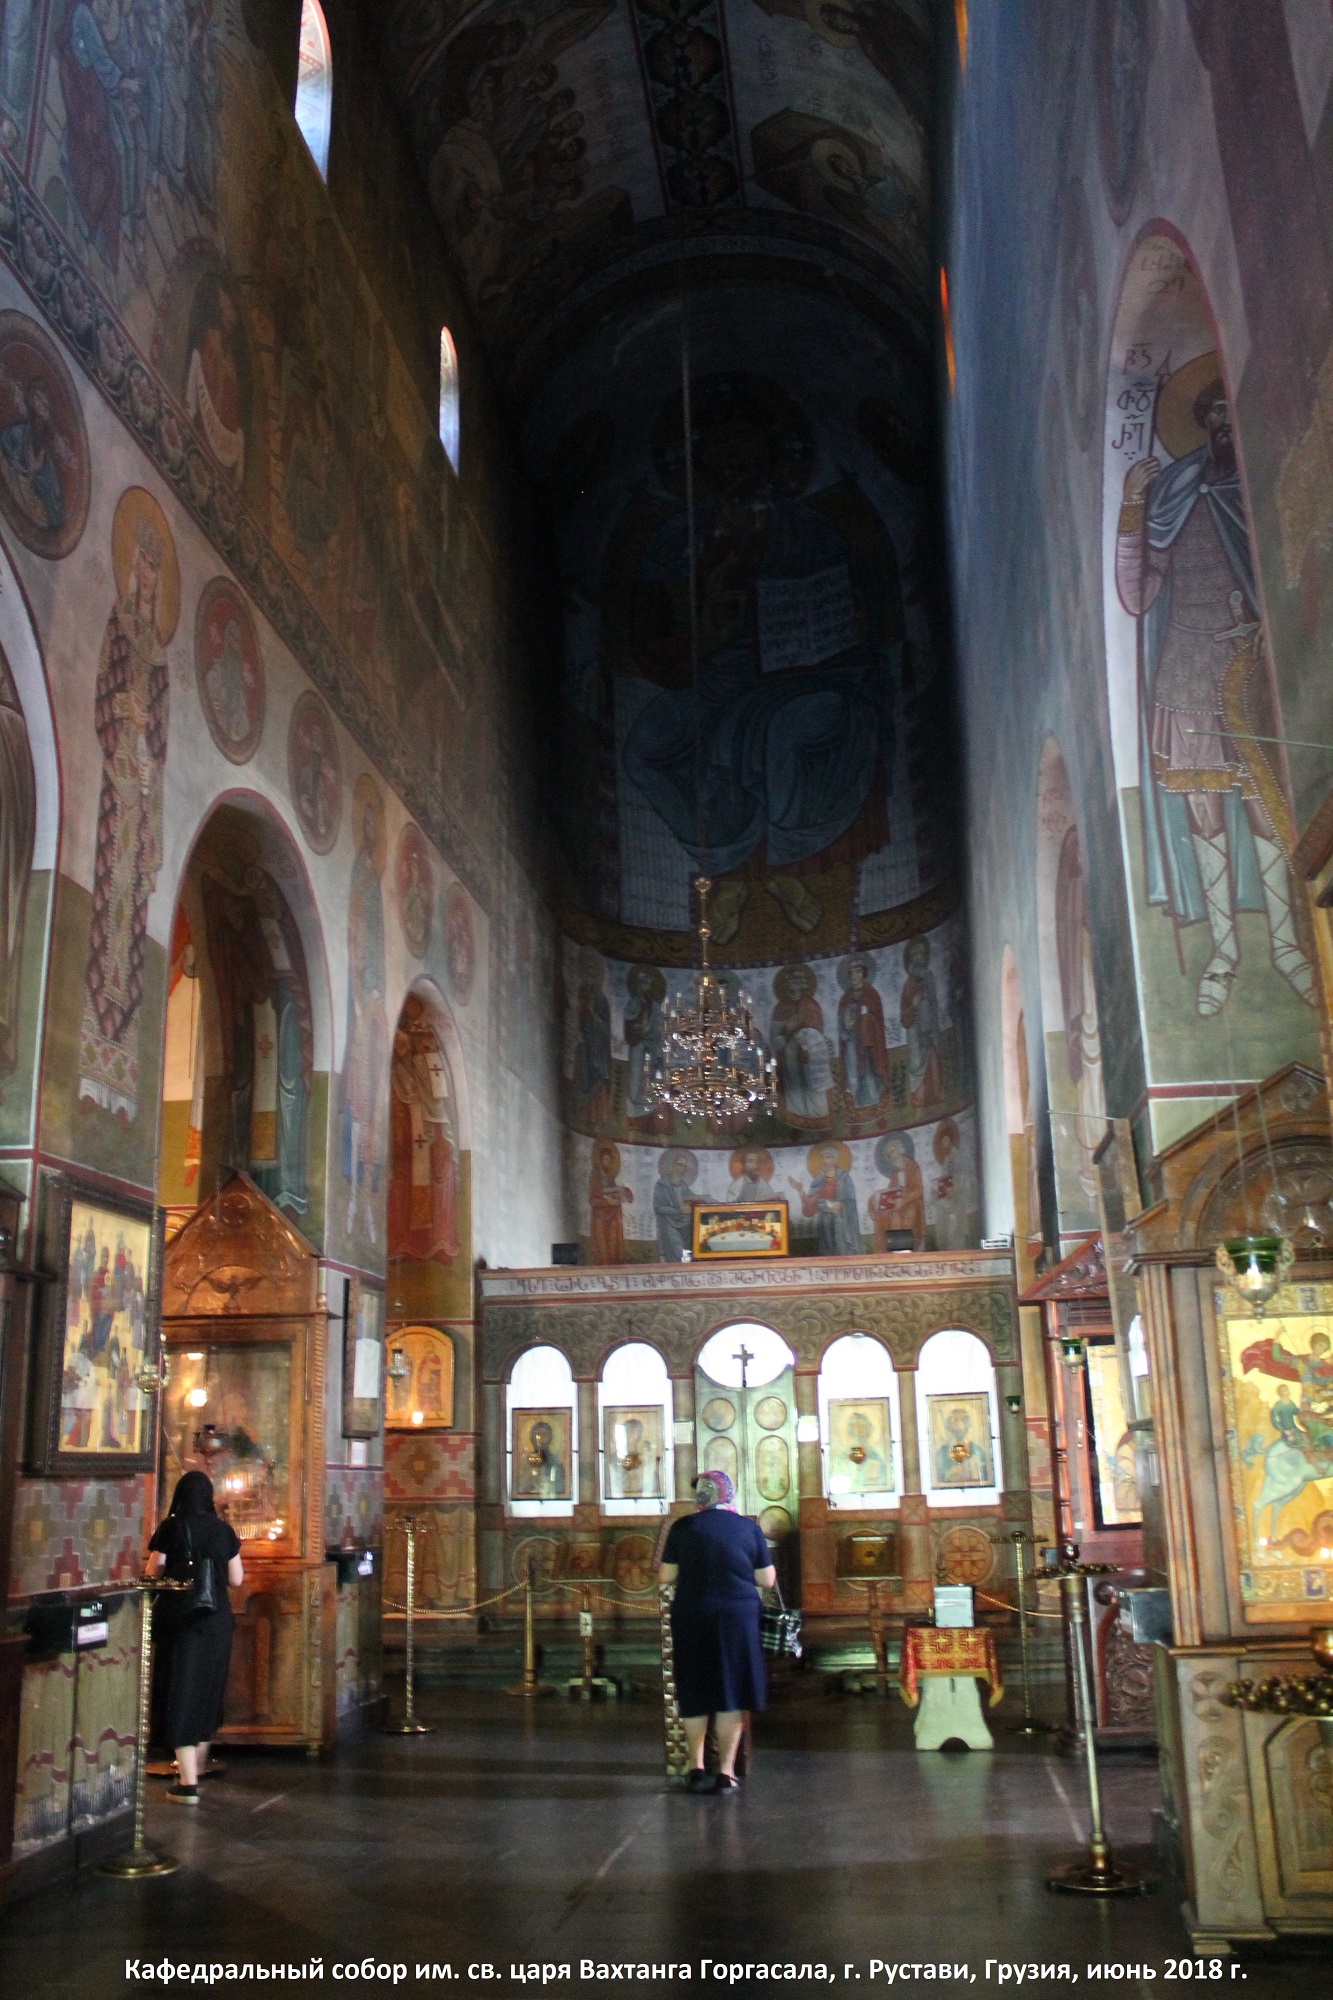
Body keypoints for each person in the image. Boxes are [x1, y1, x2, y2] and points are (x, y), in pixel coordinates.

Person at [659, 1469, 775, 1793]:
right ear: (728, 1493)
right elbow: (766, 1580)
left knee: (694, 1689)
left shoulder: (682, 1528)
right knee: (731, 1692)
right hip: (737, 1618)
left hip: (693, 1614)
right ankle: (725, 1772)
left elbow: (665, 1576)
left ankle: (695, 1768)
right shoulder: (748, 1528)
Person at [145, 1469, 243, 1804]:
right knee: (207, 1691)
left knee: (180, 1692)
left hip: (184, 1621)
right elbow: (237, 1579)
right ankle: (197, 1768)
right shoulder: (223, 1530)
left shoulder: (172, 1527)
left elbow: (152, 1571)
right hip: (218, 1620)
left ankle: (187, 1784)